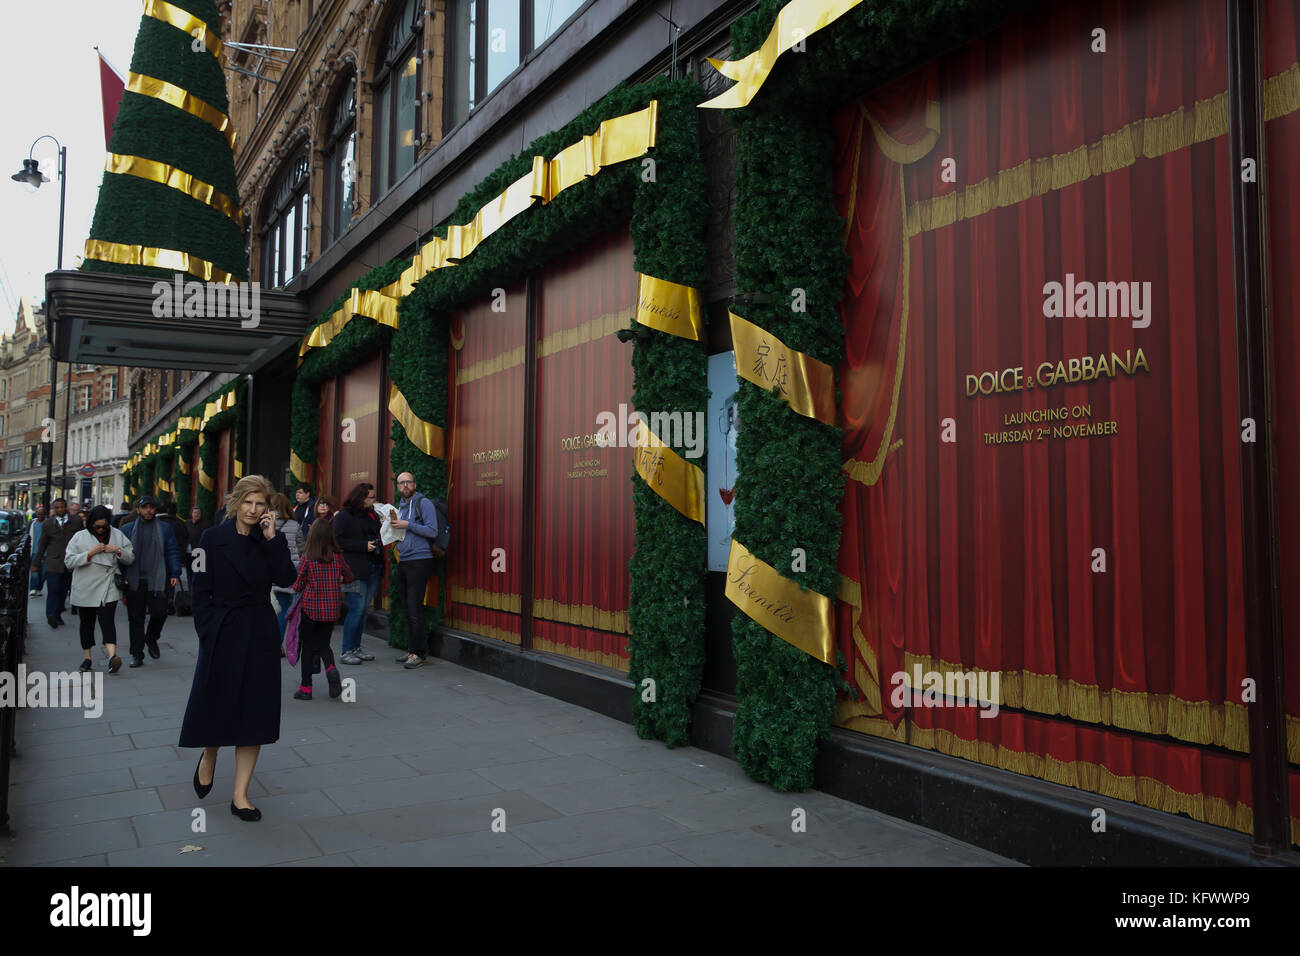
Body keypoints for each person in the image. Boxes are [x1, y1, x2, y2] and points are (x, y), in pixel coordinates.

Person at [180, 474, 297, 822]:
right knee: (218, 701)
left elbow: (288, 579)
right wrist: (208, 630)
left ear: (268, 508)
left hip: (259, 631)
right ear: (236, 502)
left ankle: (240, 795)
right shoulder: (210, 538)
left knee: (255, 711)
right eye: (248, 502)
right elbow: (199, 589)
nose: (253, 509)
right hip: (223, 630)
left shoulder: (267, 540)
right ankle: (210, 753)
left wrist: (273, 539)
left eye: (260, 503)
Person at [64, 505, 133, 674]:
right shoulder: (80, 537)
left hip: (108, 584)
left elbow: (130, 558)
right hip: (85, 586)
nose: (101, 529)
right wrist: (89, 553)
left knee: (108, 621)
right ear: (91, 523)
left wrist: (117, 550)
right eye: (97, 526)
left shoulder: (117, 534)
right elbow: (69, 561)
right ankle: (87, 658)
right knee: (86, 623)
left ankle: (112, 657)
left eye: (104, 526)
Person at [290, 519, 353, 700]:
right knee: (324, 644)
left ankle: (306, 688)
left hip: (310, 609)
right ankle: (331, 669)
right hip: (331, 610)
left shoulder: (308, 557)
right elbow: (349, 576)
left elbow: (298, 584)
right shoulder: (337, 556)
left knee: (308, 647)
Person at [121, 495, 183, 668]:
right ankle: (136, 654)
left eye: (152, 507)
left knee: (160, 613)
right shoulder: (127, 529)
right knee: (136, 618)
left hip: (158, 578)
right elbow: (121, 555)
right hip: (135, 580)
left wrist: (175, 572)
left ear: (156, 510)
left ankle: (151, 638)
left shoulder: (164, 528)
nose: (148, 510)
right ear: (138, 509)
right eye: (145, 507)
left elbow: (172, 551)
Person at [391, 472, 442, 668]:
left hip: (420, 560)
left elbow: (432, 530)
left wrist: (408, 525)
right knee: (407, 606)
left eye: (408, 482)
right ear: (398, 487)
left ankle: (419, 653)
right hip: (405, 559)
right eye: (401, 483)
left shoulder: (424, 503)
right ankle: (413, 649)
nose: (405, 486)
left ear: (414, 484)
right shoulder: (401, 507)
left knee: (414, 607)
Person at [333, 483, 382, 665]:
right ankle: (346, 650)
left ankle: (356, 648)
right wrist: (362, 546)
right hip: (354, 569)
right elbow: (336, 540)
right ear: (361, 498)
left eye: (374, 497)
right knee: (356, 609)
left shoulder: (372, 515)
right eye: (371, 497)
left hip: (373, 566)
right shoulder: (345, 515)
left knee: (363, 611)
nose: (373, 500)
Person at [33, 498, 84, 628]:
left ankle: (57, 614)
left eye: (62, 507)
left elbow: (82, 540)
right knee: (53, 589)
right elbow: (42, 544)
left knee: (63, 590)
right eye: (57, 507)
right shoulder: (48, 524)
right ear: (54, 509)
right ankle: (50, 615)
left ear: (66, 507)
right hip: (53, 562)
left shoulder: (76, 521)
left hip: (70, 562)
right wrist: (36, 563)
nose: (60, 510)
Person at [270, 492, 302, 643]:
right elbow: (302, 548)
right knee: (287, 607)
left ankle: (272, 641)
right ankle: (284, 643)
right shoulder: (295, 525)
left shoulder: (265, 522)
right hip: (290, 569)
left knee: (274, 606)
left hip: (270, 569)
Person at [184, 506, 211, 591]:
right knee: (189, 573)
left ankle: (197, 591)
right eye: (195, 513)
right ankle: (190, 591)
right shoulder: (187, 523)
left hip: (200, 553)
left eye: (198, 513)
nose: (196, 514)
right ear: (191, 514)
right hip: (188, 552)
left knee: (198, 574)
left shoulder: (205, 524)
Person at [27, 503, 47, 596]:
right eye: (39, 514)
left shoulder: (48, 524)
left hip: (46, 553)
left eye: (42, 514)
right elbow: (27, 536)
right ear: (36, 514)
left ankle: (39, 588)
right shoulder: (32, 523)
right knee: (34, 571)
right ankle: (33, 588)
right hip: (34, 551)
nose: (40, 516)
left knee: (43, 572)